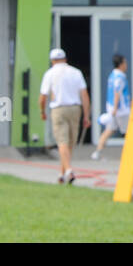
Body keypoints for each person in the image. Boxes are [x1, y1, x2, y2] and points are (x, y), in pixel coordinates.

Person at [38, 48, 91, 184]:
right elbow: (84, 95)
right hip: (75, 108)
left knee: (62, 142)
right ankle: (62, 174)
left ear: (52, 61)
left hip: (58, 109)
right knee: (70, 142)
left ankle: (68, 171)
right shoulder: (76, 72)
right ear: (65, 59)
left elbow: (43, 97)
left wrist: (42, 111)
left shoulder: (50, 74)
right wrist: (86, 116)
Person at [91, 55, 131, 161]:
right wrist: (116, 107)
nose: (126, 65)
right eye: (125, 63)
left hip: (112, 108)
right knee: (129, 132)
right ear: (121, 64)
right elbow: (117, 92)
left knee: (109, 130)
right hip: (121, 110)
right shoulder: (120, 77)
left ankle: (97, 152)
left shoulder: (112, 75)